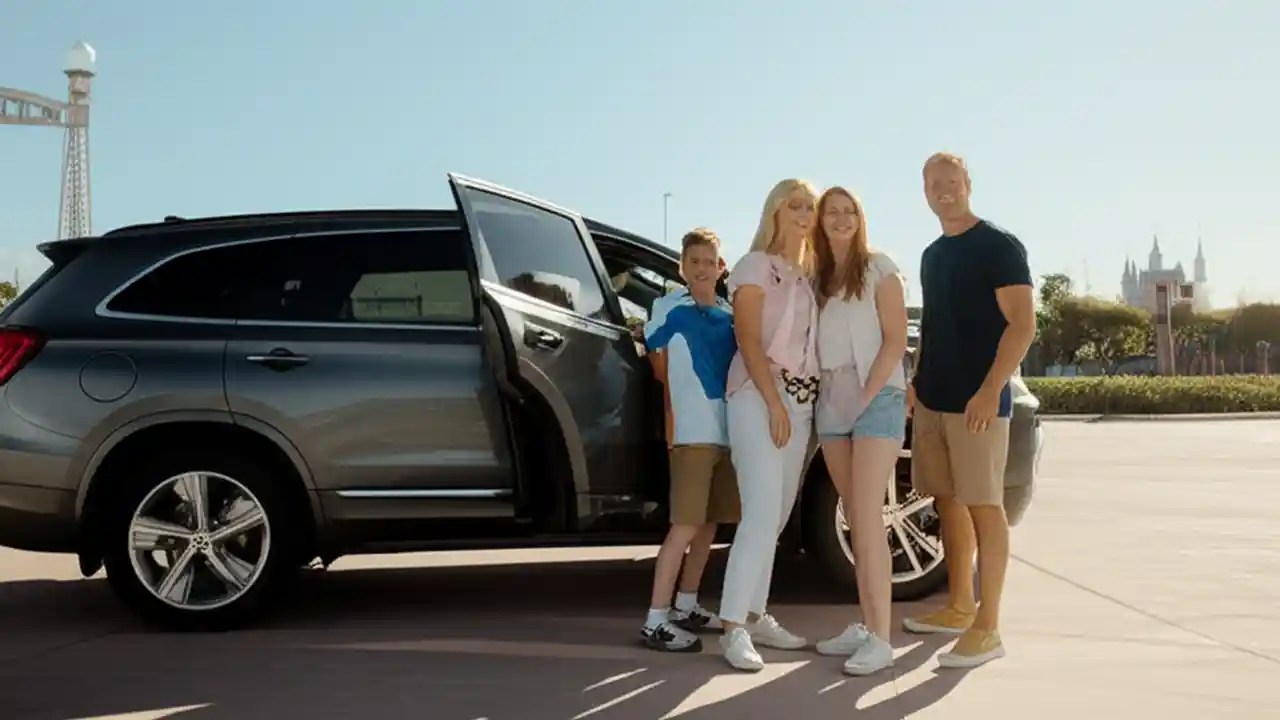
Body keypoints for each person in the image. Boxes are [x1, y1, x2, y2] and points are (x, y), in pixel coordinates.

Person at [904, 152, 1036, 669]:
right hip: (935, 399)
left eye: (951, 181)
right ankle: (959, 605)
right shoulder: (933, 254)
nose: (943, 190)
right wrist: (916, 383)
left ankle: (989, 627)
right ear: (924, 191)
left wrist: (989, 390)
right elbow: (934, 325)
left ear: (968, 184)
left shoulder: (998, 246)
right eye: (933, 183)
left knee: (985, 506)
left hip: (979, 401)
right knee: (948, 502)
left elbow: (1021, 325)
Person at [717, 178, 821, 672]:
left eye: (810, 206)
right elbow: (748, 341)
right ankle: (732, 627)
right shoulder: (753, 267)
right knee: (759, 512)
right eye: (794, 205)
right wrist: (773, 403)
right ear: (775, 212)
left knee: (776, 516)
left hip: (801, 403)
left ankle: (756, 614)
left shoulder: (811, 274)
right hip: (757, 396)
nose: (803, 213)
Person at [808, 187, 910, 675]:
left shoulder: (880, 268)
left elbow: (895, 340)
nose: (842, 219)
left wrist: (866, 395)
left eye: (850, 212)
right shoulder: (818, 278)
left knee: (868, 517)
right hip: (831, 402)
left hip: (877, 397)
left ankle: (882, 639)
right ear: (821, 222)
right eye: (833, 212)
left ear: (860, 219)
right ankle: (866, 626)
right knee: (852, 517)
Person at [638, 227, 741, 652]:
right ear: (682, 266)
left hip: (726, 435)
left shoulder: (730, 314)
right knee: (683, 526)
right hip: (691, 435)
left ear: (721, 268)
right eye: (693, 261)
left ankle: (685, 605)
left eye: (709, 261)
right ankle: (655, 619)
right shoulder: (667, 308)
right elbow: (659, 369)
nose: (701, 269)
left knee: (708, 526)